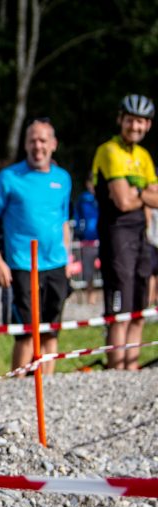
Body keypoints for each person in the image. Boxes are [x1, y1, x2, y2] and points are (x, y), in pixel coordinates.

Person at [0, 119, 72, 375]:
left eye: (43, 140)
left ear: (53, 145)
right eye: (32, 140)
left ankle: (48, 386)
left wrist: (67, 257)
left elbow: (63, 220)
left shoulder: (63, 179)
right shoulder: (9, 177)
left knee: (51, 331)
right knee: (26, 335)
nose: (38, 146)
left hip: (56, 265)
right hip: (22, 265)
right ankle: (18, 392)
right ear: (25, 144)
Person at [91, 94, 158, 370]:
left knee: (140, 308)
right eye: (131, 120)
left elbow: (152, 197)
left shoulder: (143, 156)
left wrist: (136, 192)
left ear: (148, 125)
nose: (135, 127)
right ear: (121, 119)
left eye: (141, 122)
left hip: (141, 235)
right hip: (116, 234)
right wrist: (143, 194)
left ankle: (131, 367)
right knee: (120, 309)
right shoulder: (109, 150)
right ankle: (116, 369)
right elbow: (122, 201)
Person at [71, 177, 100, 304]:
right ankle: (90, 295)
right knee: (88, 270)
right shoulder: (83, 199)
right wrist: (79, 231)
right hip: (87, 240)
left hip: (102, 238)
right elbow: (77, 217)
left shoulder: (104, 197)